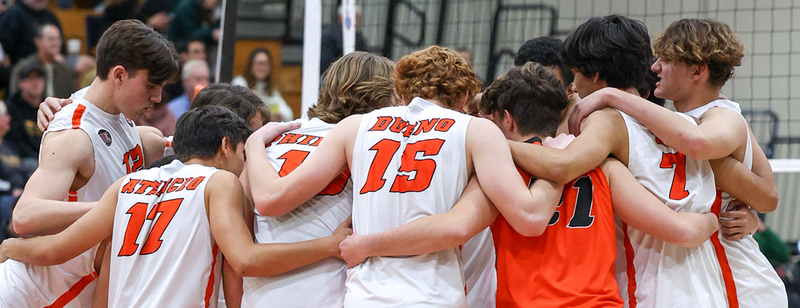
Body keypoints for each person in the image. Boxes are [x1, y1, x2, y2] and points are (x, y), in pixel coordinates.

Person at [337, 62, 720, 308]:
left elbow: (452, 227)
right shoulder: (602, 168)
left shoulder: (494, 177)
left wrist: (366, 243)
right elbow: (682, 229)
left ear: (505, 119)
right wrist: (714, 222)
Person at [247, 45, 563, 307]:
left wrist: (254, 144)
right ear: (465, 97)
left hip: (365, 297)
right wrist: (560, 166)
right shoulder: (475, 130)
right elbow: (531, 216)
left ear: (401, 91)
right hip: (432, 295)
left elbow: (271, 199)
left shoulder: (355, 126)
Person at [503, 15, 764, 307]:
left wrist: (491, 142)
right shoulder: (684, 124)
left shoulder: (607, 122)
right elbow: (765, 195)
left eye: (576, 73)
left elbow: (561, 166)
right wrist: (746, 218)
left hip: (650, 286)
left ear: (596, 74)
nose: (574, 85)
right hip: (709, 285)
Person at [0, 105, 353, 307]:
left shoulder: (128, 185)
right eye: (245, 154)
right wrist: (328, 245)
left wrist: (11, 246)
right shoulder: (219, 183)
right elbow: (244, 261)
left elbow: (56, 249)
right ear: (227, 146)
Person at [567, 18, 787, 307]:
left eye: (666, 60)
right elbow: (766, 196)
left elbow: (763, 194)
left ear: (697, 70)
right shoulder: (674, 124)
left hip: (739, 283)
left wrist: (610, 94)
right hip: (703, 278)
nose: (654, 67)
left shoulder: (721, 119)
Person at [0, 20, 181, 308]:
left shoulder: (119, 117)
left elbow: (139, 146)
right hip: (32, 296)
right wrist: (117, 207)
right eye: (151, 85)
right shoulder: (74, 135)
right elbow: (24, 216)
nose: (158, 97)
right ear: (119, 75)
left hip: (75, 290)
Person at [240, 51, 396, 307]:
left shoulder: (275, 136)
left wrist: (254, 143)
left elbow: (243, 231)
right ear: (378, 95)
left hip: (260, 295)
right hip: (322, 293)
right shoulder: (364, 140)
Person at [513, 35, 577, 134]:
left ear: (570, 90)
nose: (535, 95)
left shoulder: (586, 125)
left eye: (548, 86)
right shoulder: (496, 114)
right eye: (525, 84)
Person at [8, 23, 75, 99]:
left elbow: (71, 99)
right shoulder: (23, 67)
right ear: (37, 41)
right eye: (50, 39)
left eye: (58, 38)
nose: (56, 43)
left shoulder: (66, 70)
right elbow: (15, 98)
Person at [232, 48, 293, 121]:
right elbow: (241, 109)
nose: (263, 67)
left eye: (266, 64)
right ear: (251, 65)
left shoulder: (270, 88)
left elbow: (288, 114)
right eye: (259, 63)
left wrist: (280, 116)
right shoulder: (240, 81)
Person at [0, 0, 63, 65]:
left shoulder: (51, 17)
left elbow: (62, 48)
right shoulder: (11, 15)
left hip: (51, 66)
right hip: (21, 68)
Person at [5, 63, 45, 162]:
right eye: (30, 78)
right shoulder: (12, 107)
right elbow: (15, 142)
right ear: (21, 83)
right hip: (24, 160)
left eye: (39, 78)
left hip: (47, 156)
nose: (35, 82)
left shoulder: (47, 105)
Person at [320, 5, 367, 75]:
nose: (358, 23)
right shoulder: (332, 35)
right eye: (356, 18)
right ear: (341, 18)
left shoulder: (357, 36)